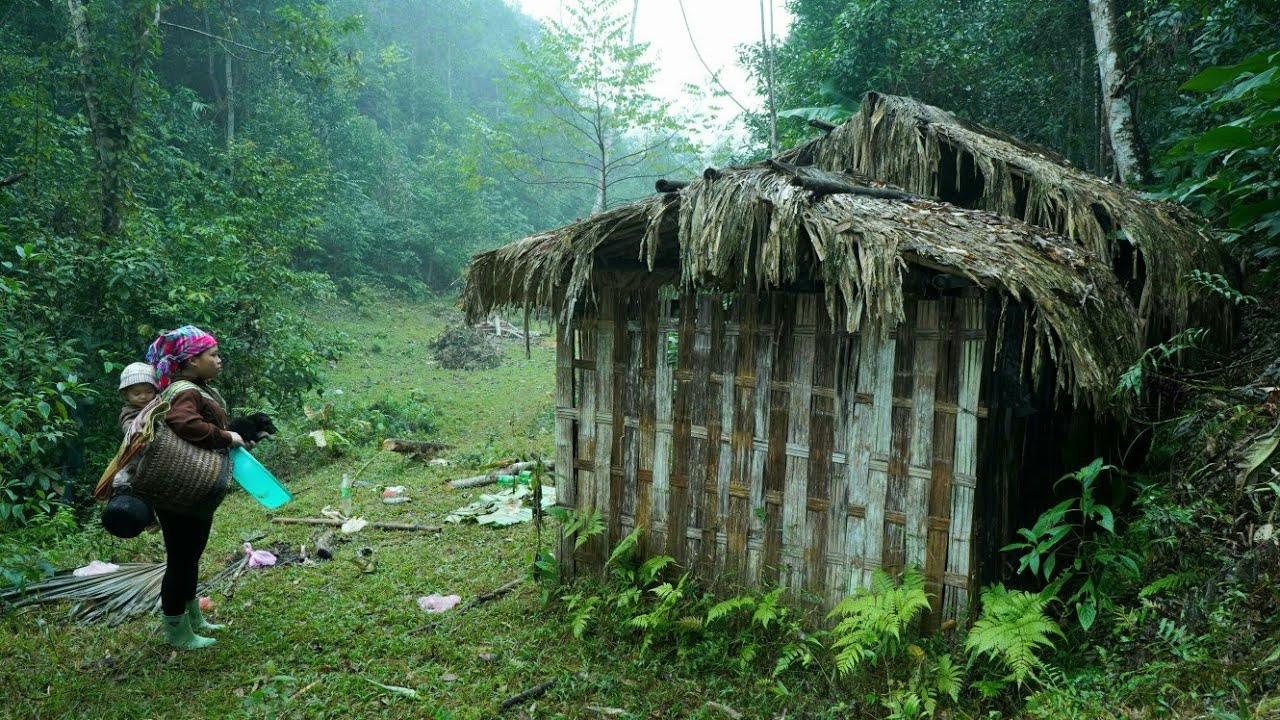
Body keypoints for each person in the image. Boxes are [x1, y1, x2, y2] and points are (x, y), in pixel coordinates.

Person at [145, 325, 252, 650]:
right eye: (213, 355)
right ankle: (177, 632)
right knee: (181, 559)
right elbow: (185, 423)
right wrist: (226, 436)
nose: (219, 360)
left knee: (189, 556)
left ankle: (193, 619)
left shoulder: (192, 387)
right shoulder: (184, 391)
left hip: (188, 492)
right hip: (180, 493)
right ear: (191, 361)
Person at [99, 363, 160, 539]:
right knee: (124, 484)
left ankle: (156, 517)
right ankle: (149, 519)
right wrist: (139, 433)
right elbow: (130, 429)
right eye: (137, 393)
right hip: (137, 457)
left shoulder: (159, 405)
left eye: (149, 391)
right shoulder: (129, 412)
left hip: (159, 454)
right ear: (125, 394)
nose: (144, 397)